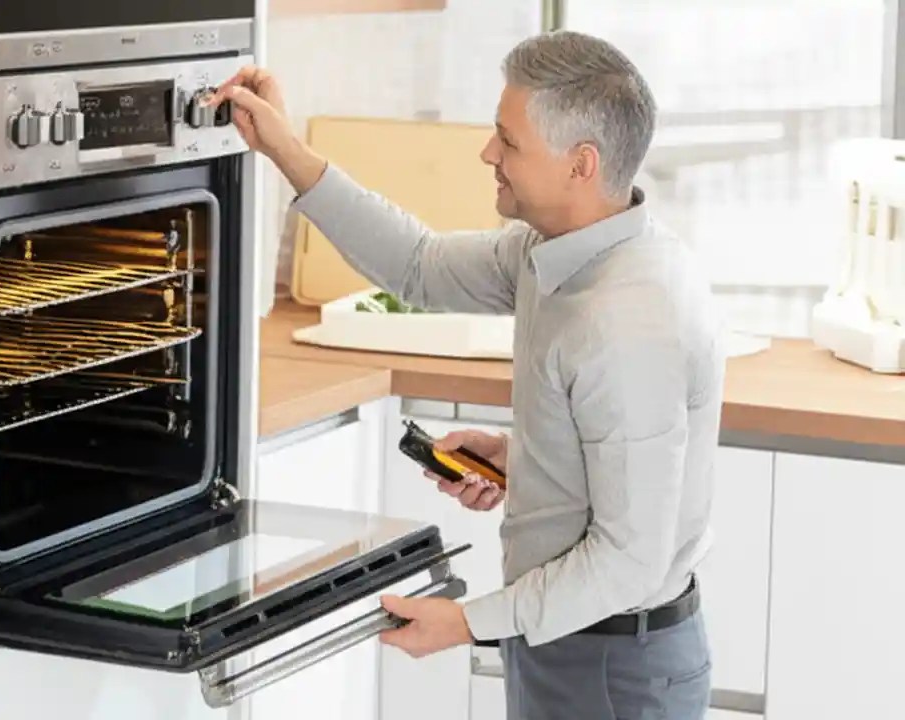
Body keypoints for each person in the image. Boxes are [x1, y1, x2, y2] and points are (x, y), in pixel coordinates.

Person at [208, 30, 724, 720]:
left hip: (610, 665)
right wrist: (283, 149)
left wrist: (466, 620)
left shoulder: (629, 322)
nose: (488, 154)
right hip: (566, 640)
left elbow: (628, 562)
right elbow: (418, 264)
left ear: (581, 164)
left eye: (508, 142)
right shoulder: (556, 251)